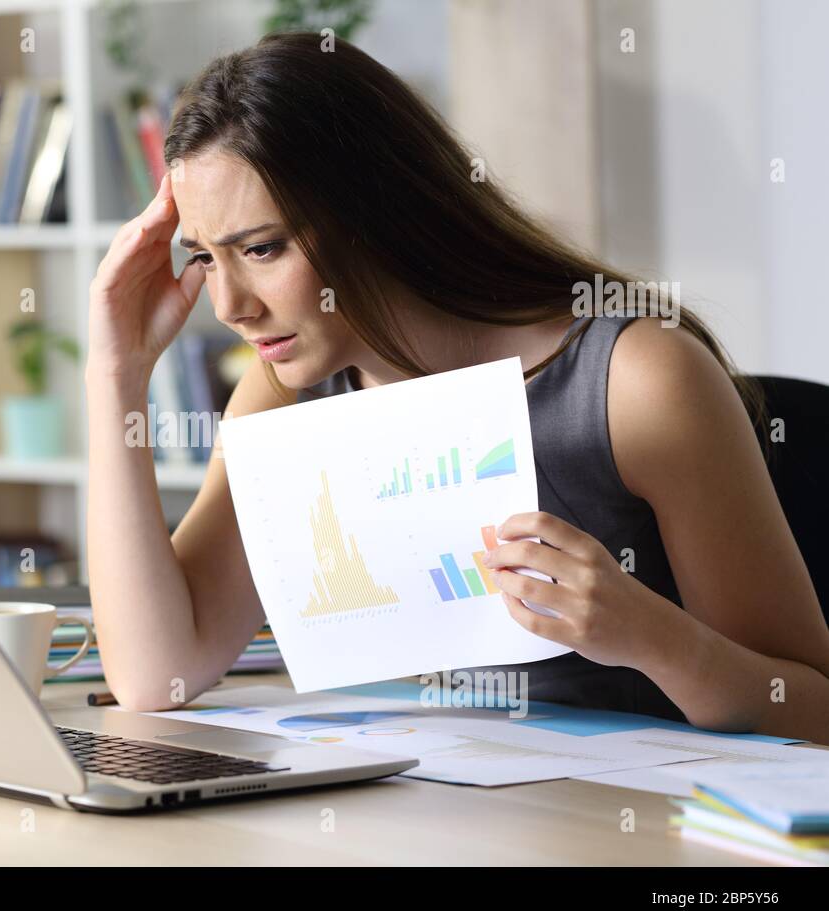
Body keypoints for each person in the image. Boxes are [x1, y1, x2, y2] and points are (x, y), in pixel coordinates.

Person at [84, 32, 829, 741]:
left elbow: (811, 709)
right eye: (207, 259)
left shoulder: (637, 383)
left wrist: (652, 638)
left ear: (374, 215)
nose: (229, 307)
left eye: (262, 248)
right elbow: (157, 677)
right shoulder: (285, 396)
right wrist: (115, 372)